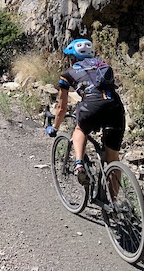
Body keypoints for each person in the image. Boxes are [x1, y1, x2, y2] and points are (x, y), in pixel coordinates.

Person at [45, 38, 126, 185]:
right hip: (115, 107)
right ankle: (115, 205)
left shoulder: (68, 73)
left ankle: (79, 165)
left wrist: (54, 127)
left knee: (80, 129)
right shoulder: (103, 66)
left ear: (73, 57)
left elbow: (62, 107)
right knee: (112, 158)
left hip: (91, 106)